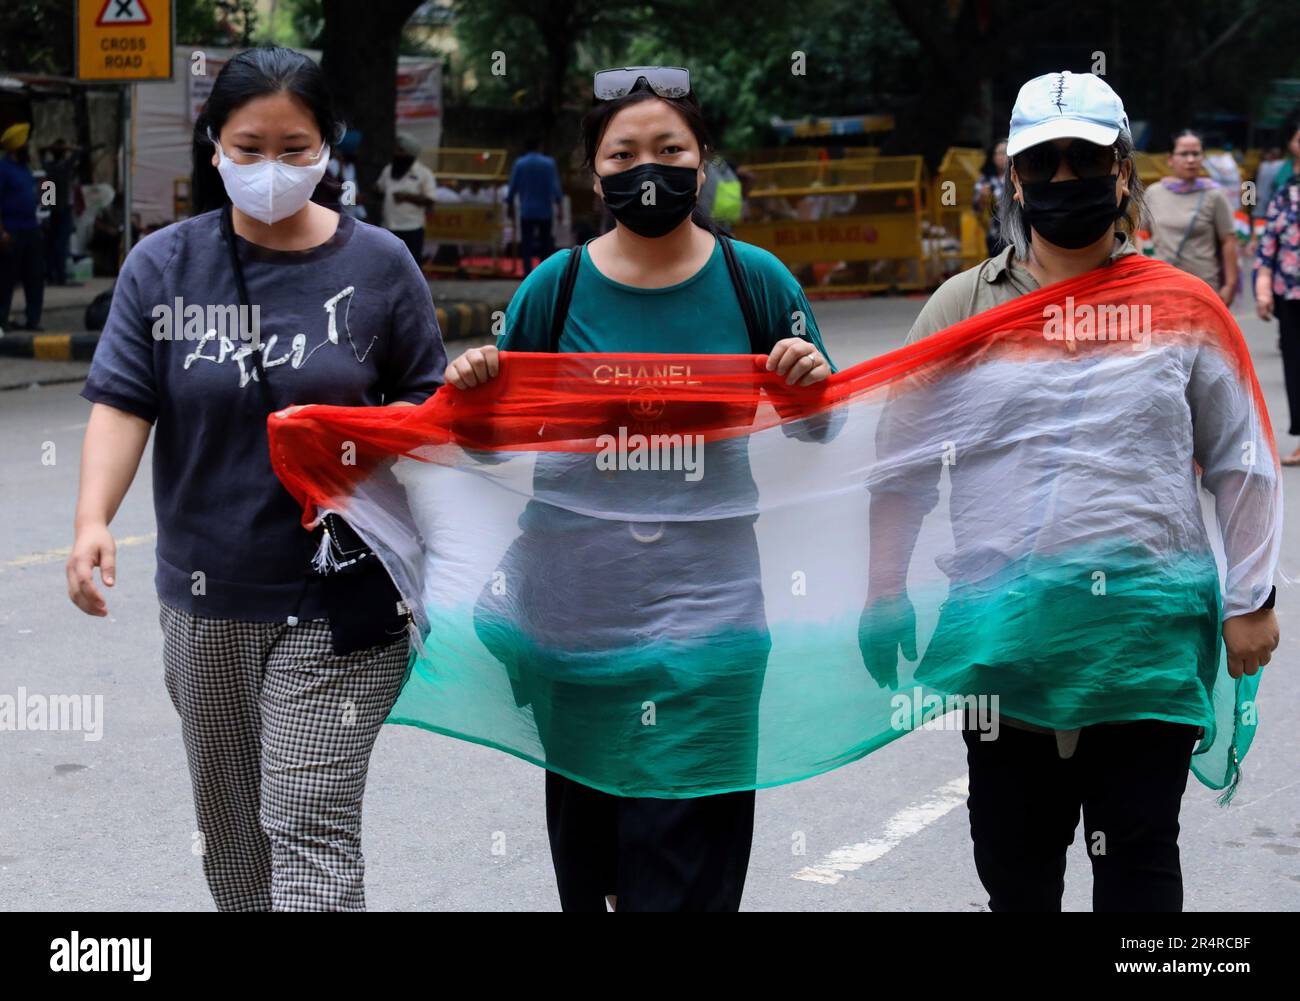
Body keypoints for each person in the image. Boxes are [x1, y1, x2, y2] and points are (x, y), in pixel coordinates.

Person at [878, 70, 1279, 911]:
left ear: (1123, 170)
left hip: (1144, 643)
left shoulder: (1182, 307)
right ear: (1014, 177)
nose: (1066, 181)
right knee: (1015, 874)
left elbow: (1241, 456)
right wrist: (883, 594)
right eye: (1044, 163)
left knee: (1139, 864)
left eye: (1086, 160)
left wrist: (1253, 598)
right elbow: (899, 462)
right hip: (1003, 650)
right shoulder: (961, 308)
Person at [66, 46, 447, 911]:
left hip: (345, 593)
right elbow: (125, 403)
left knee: (309, 815)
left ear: (327, 149)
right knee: (236, 835)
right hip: (208, 595)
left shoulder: (381, 265)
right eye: (248, 148)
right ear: (214, 148)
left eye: (292, 147)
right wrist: (93, 519)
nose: (270, 168)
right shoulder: (163, 266)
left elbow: (428, 413)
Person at [445, 66, 834, 912]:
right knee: (592, 862)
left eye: (670, 149)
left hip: (715, 620)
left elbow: (820, 428)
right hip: (577, 618)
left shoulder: (755, 280)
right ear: (594, 172)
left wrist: (809, 383)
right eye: (624, 152)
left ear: (703, 163)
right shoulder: (557, 286)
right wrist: (471, 397)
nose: (647, 168)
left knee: (689, 863)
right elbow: (490, 445)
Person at [1255, 107, 1300, 466]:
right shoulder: (1283, 190)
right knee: (1294, 363)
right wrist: (1263, 287)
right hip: (1290, 292)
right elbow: (1268, 240)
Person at [1146, 129, 1238, 305]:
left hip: (1203, 288)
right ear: (1170, 159)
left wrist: (1230, 284)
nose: (1190, 160)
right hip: (1161, 287)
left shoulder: (1215, 195)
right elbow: (1141, 234)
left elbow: (1229, 240)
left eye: (1196, 154)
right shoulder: (1153, 193)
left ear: (1202, 158)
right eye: (1184, 154)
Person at [0, 122, 45, 332]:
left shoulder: (26, 168)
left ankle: (32, 319)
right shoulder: (3, 169)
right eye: (27, 144)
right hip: (12, 229)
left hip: (31, 228)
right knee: (7, 279)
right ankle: (2, 320)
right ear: (19, 146)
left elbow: (43, 194)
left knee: (34, 276)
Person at [375, 132, 436, 265]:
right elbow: (379, 189)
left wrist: (407, 197)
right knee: (387, 265)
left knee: (410, 266)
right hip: (388, 227)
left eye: (400, 150)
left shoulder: (424, 173)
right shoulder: (388, 170)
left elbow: (430, 199)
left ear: (410, 153)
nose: (396, 153)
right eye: (396, 150)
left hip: (412, 228)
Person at [506, 136, 563, 275]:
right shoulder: (549, 163)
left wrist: (509, 205)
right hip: (545, 211)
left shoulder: (520, 164)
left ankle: (527, 273)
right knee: (545, 244)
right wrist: (559, 207)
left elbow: (512, 187)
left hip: (527, 211)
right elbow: (555, 187)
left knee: (527, 244)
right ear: (539, 146)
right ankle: (544, 273)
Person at [40, 137, 82, 285]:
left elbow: (41, 151)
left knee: (52, 244)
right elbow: (78, 152)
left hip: (53, 210)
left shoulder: (48, 167)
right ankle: (60, 276)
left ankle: (52, 275)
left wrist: (54, 147)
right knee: (61, 244)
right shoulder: (64, 167)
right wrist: (68, 147)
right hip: (63, 210)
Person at [974, 138, 1009, 256]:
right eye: (1000, 153)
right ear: (993, 156)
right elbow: (977, 209)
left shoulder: (1019, 175)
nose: (1004, 156)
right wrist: (983, 198)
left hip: (1019, 234)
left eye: (1007, 152)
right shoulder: (985, 180)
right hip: (996, 236)